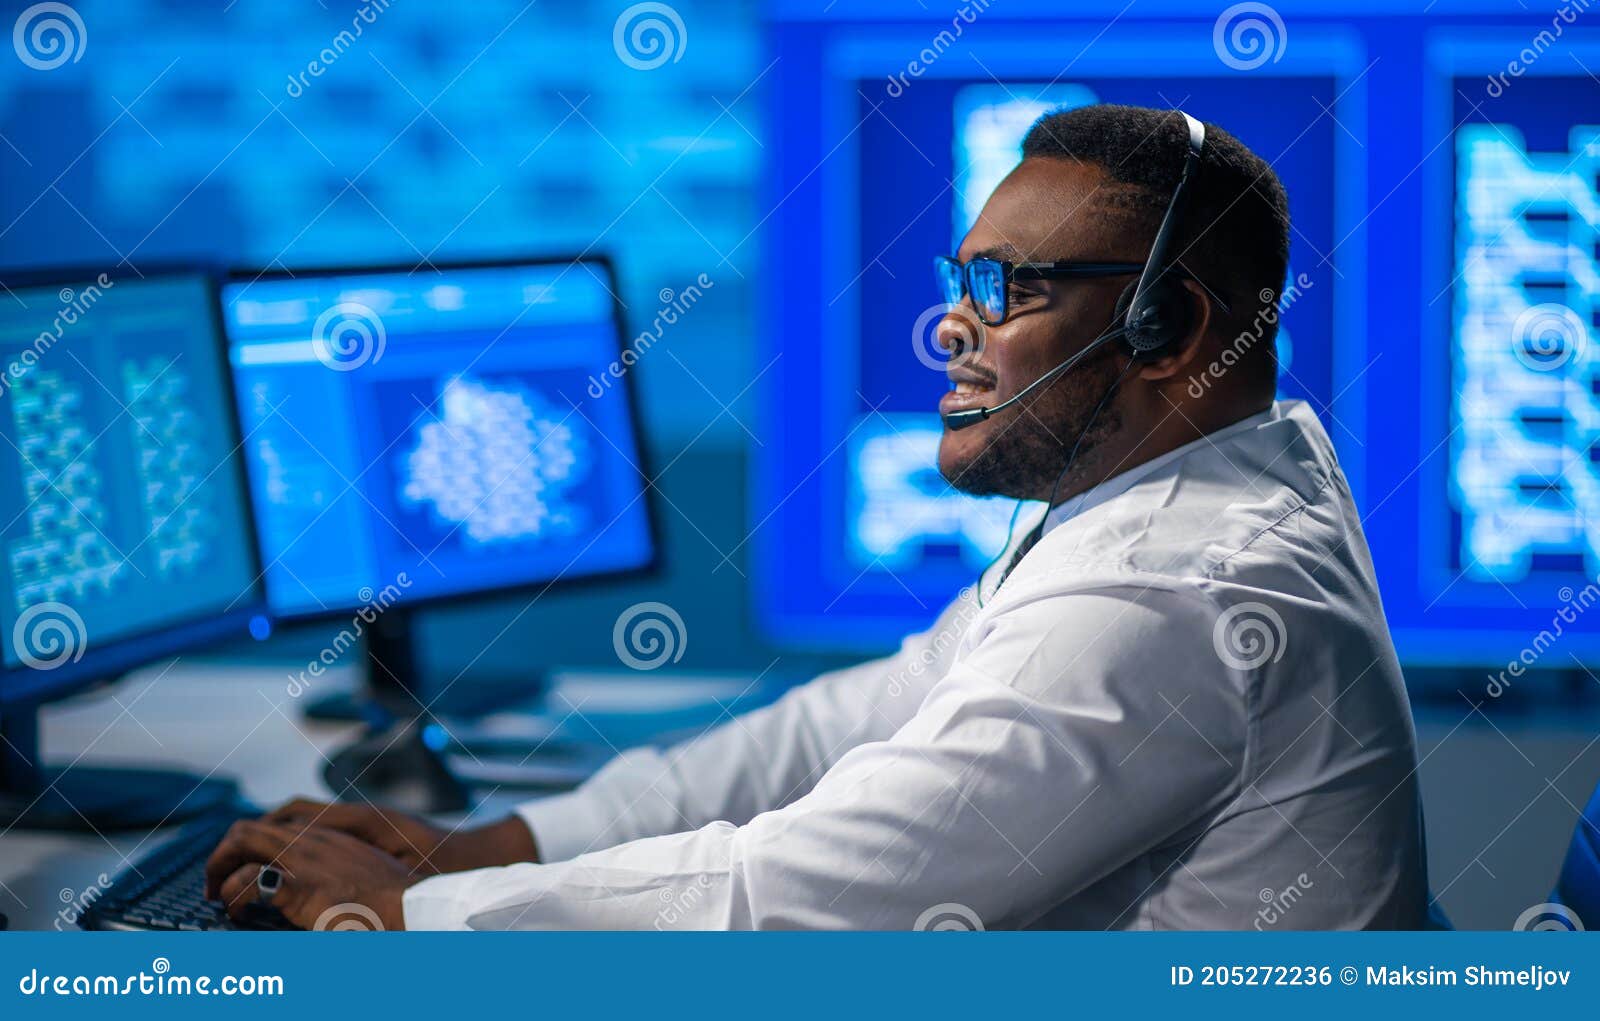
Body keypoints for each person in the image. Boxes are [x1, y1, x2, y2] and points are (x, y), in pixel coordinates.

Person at [205, 103, 1432, 930]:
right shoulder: (1166, 504)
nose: (955, 323)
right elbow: (836, 727)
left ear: (1175, 335)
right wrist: (491, 846)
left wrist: (407, 913)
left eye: (1008, 289)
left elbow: (794, 899)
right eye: (964, 280)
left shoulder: (1176, 596)